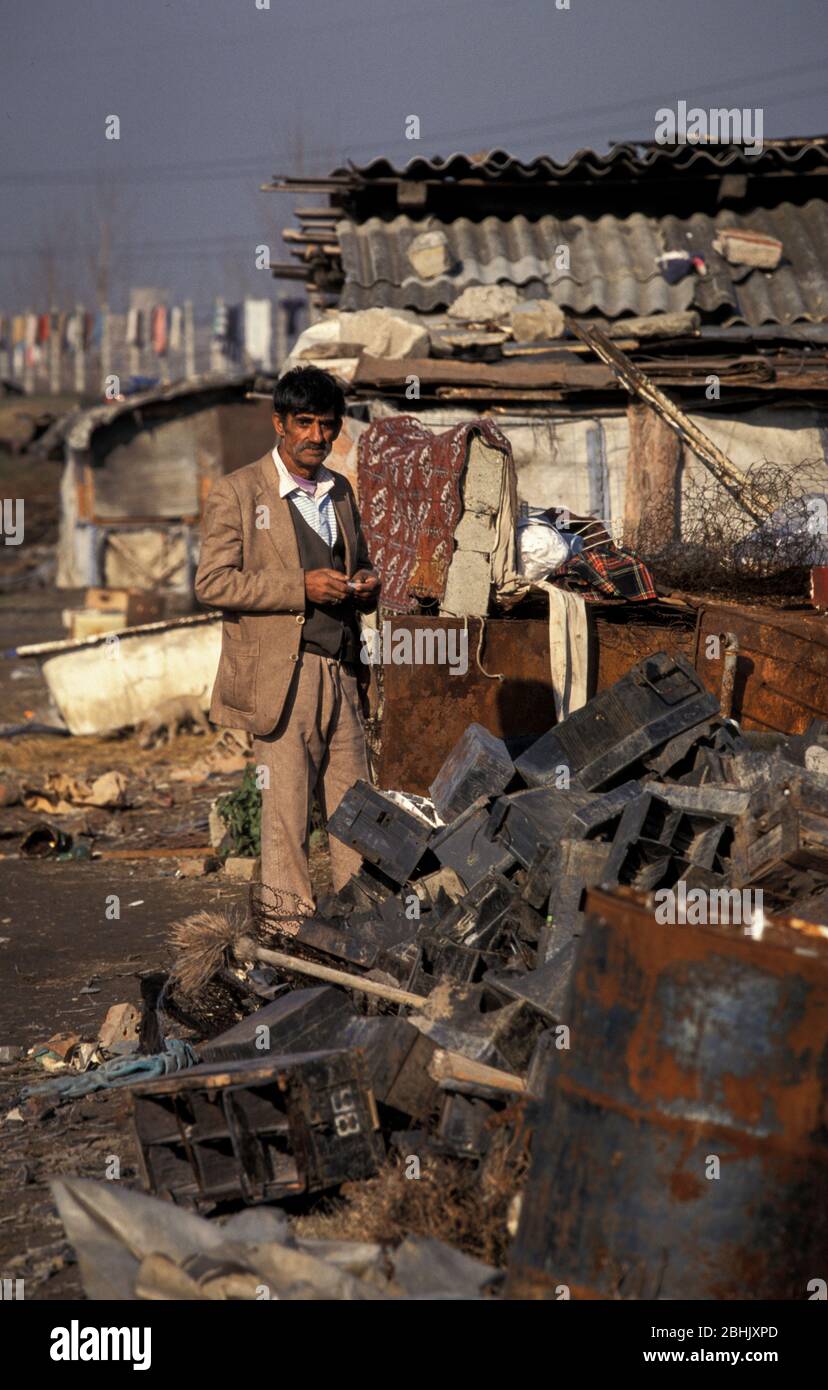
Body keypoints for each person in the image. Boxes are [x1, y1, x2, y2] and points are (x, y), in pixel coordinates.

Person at [194, 365, 380, 929]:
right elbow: (212, 583)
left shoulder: (339, 490)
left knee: (355, 811)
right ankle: (289, 934)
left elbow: (360, 561)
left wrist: (366, 582)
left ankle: (362, 925)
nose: (316, 437)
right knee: (286, 815)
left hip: (341, 674)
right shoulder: (238, 491)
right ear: (279, 423)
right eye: (304, 423)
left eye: (327, 426)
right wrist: (298, 585)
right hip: (282, 679)